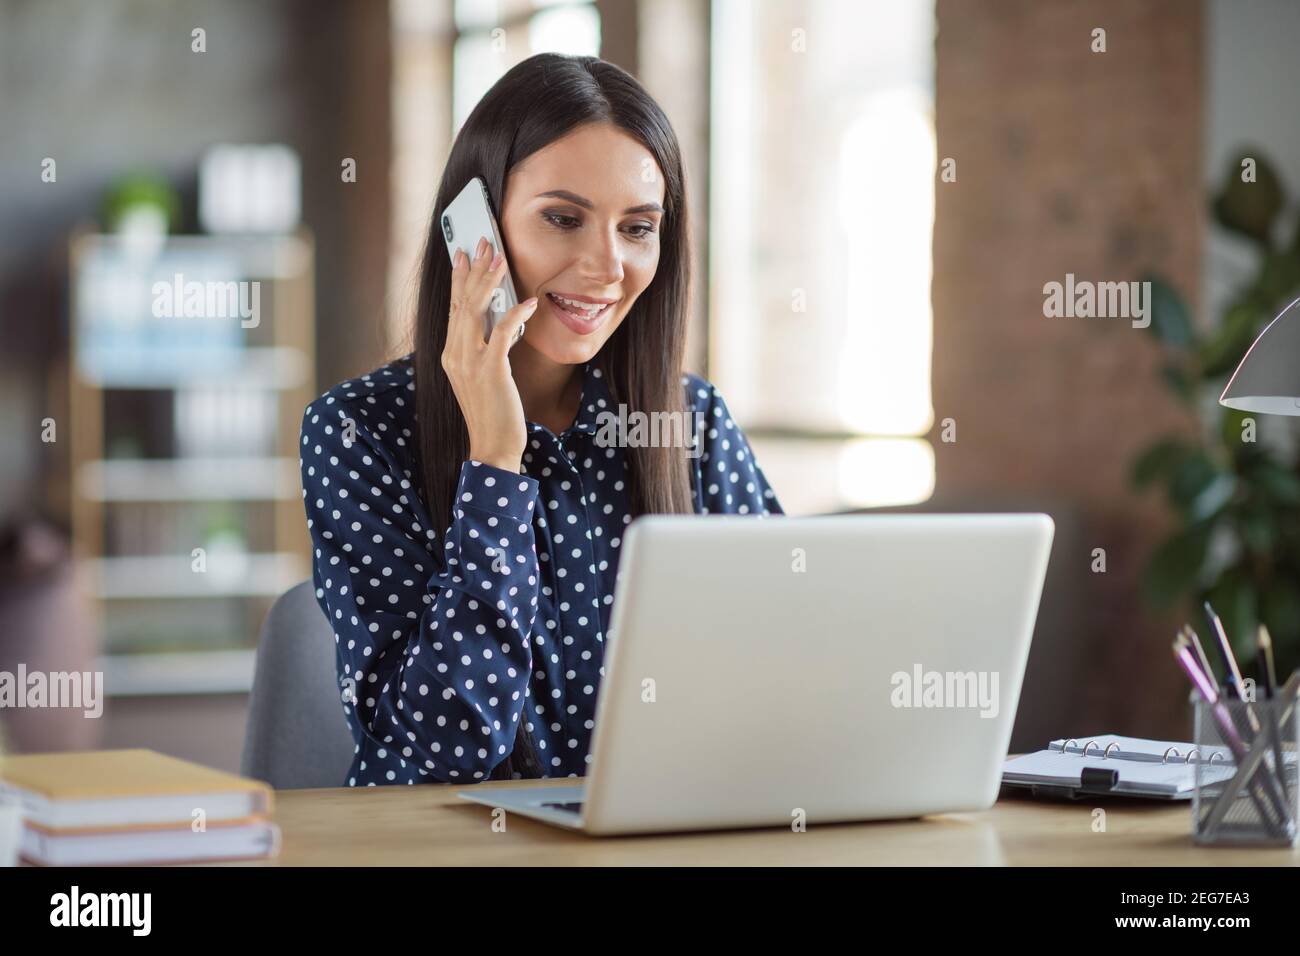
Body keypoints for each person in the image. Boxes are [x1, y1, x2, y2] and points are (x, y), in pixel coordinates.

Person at [299, 53, 782, 787]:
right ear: (473, 229)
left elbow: (791, 671)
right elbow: (447, 743)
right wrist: (495, 457)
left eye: (638, 227)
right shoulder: (358, 433)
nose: (607, 266)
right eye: (564, 218)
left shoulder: (689, 423)